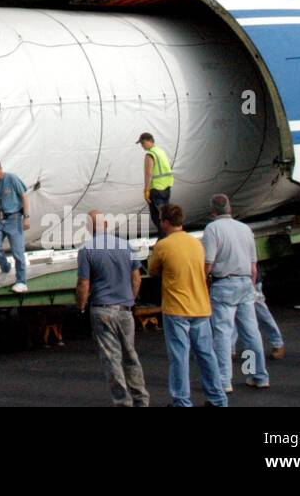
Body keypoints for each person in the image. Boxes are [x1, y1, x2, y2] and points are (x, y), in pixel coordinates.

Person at [147, 204, 227, 407]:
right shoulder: (196, 243)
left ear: (165, 222)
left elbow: (153, 271)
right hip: (200, 305)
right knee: (206, 354)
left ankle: (182, 401)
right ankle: (218, 399)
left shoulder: (163, 246)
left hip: (176, 308)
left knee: (179, 357)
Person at [76, 210, 149, 406]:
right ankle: (141, 398)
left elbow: (84, 283)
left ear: (89, 228)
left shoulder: (87, 250)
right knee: (131, 355)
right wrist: (130, 299)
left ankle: (123, 401)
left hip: (102, 308)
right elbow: (136, 278)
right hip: (124, 308)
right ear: (107, 224)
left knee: (112, 358)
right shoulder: (125, 246)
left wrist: (81, 306)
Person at [203, 194, 269, 391]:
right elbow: (254, 265)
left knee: (223, 333)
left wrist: (202, 282)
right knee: (251, 332)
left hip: (224, 283)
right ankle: (256, 374)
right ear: (230, 208)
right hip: (245, 282)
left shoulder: (213, 229)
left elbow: (209, 262)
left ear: (213, 211)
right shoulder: (245, 228)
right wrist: (252, 283)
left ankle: (224, 380)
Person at [0, 156, 30, 293]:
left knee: (18, 252)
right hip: (1, 218)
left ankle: (21, 282)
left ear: (0, 168)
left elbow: (24, 196)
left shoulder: (12, 178)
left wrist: (26, 217)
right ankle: (5, 267)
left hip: (15, 217)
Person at [137, 133, 175, 235]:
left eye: (143, 143)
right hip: (166, 187)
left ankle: (163, 238)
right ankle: (166, 237)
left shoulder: (150, 154)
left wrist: (146, 190)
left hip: (156, 189)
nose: (142, 146)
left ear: (150, 141)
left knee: (158, 216)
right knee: (165, 214)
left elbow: (148, 173)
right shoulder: (160, 151)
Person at [254, 277, 286, 359]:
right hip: (226, 280)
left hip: (250, 280)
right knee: (232, 317)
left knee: (262, 314)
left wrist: (253, 284)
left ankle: (277, 344)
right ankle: (230, 349)